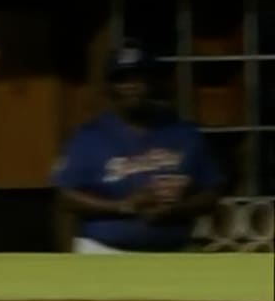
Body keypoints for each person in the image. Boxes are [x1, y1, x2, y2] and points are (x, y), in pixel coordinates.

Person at [52, 42, 223, 253]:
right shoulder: (88, 137)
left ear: (153, 82)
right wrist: (125, 206)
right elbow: (66, 197)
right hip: (105, 251)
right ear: (110, 88)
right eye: (122, 79)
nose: (132, 85)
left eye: (139, 77)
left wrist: (176, 210)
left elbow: (211, 194)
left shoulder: (184, 133)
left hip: (172, 251)